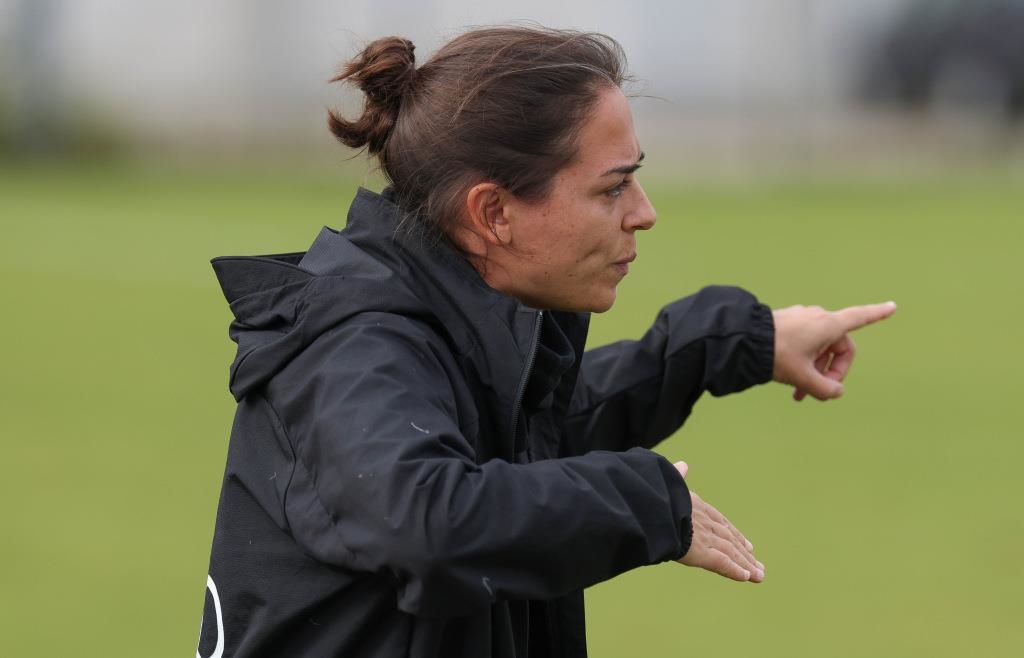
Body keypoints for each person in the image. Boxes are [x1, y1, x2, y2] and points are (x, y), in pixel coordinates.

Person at [197, 26, 896, 658]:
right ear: (494, 212)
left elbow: (536, 439)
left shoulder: (448, 319)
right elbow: (430, 523)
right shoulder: (354, 347)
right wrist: (638, 500)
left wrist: (730, 341)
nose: (644, 214)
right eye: (612, 190)